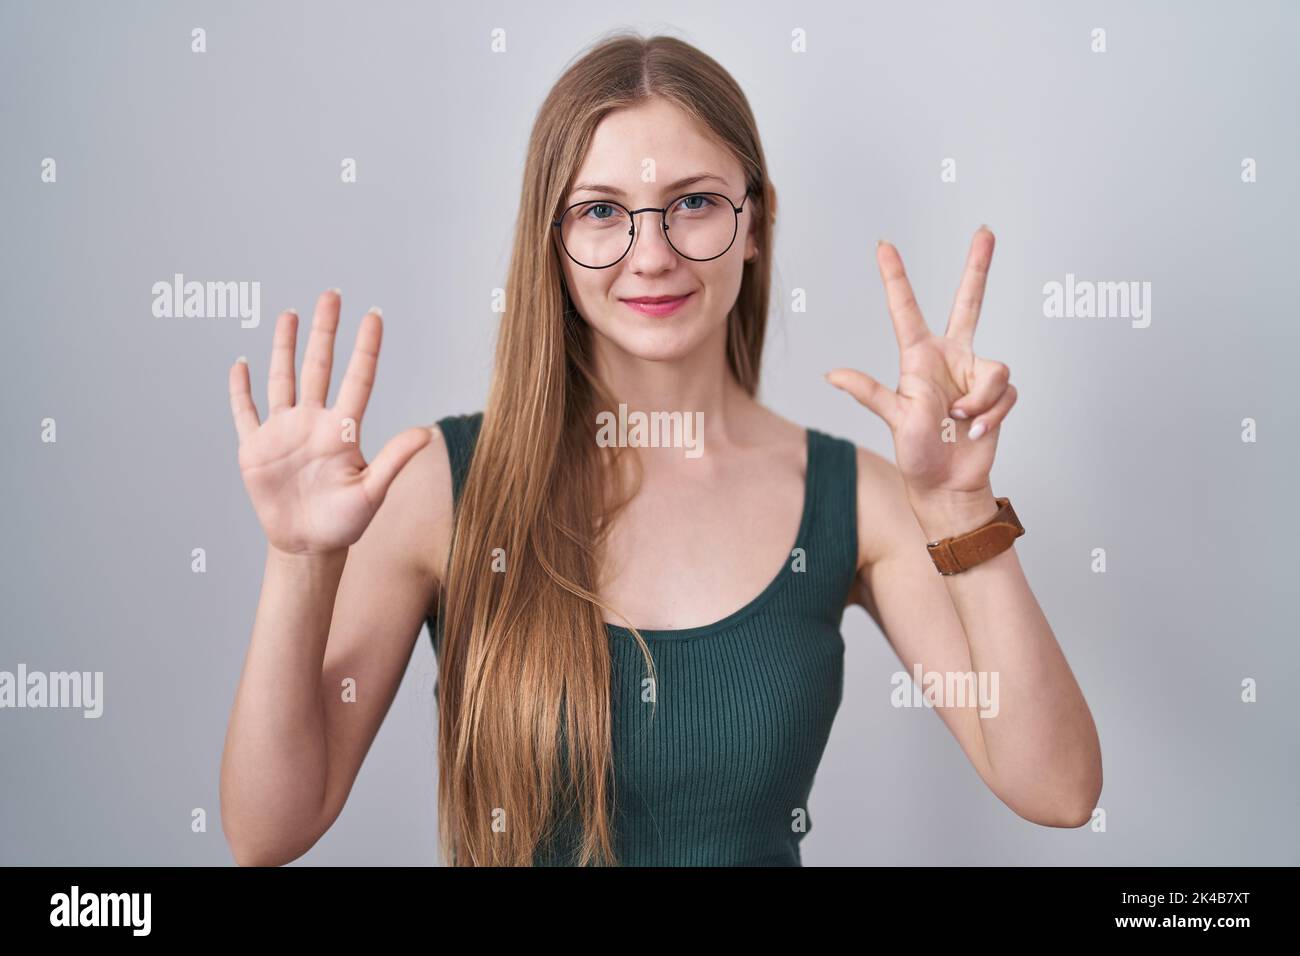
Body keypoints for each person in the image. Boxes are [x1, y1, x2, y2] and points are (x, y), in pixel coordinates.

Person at [219, 31, 1102, 867]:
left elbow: (1058, 787)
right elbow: (268, 829)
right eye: (603, 211)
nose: (652, 255)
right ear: (553, 243)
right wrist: (299, 561)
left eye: (694, 203)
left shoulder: (856, 500)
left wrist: (959, 508)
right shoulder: (442, 489)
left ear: (754, 226)